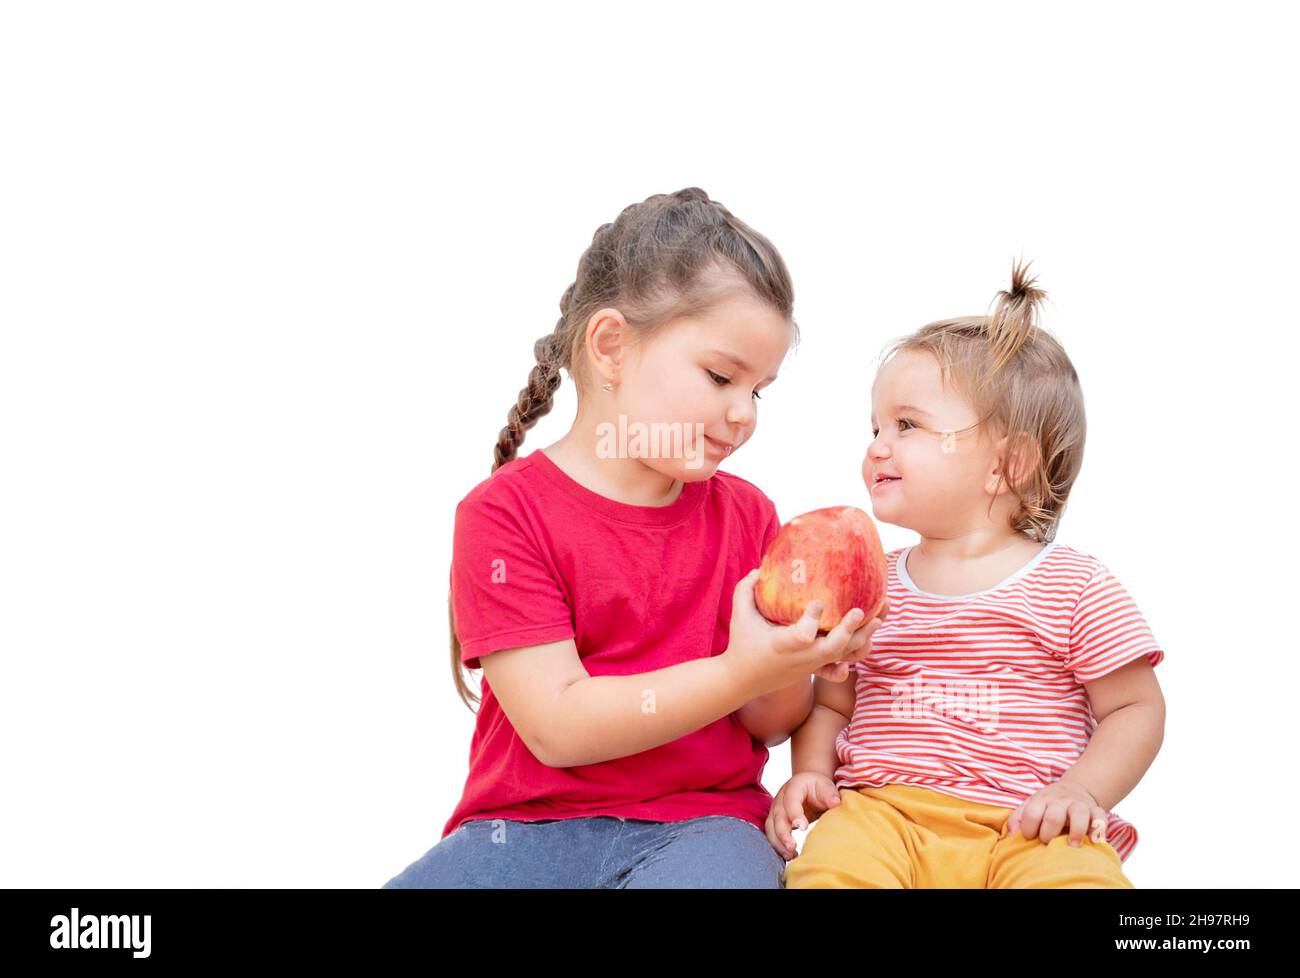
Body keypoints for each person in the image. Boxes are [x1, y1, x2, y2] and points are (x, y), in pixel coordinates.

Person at [383, 188, 887, 888]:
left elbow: (767, 723)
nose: (742, 413)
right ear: (612, 346)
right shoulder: (503, 514)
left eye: (759, 390)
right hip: (524, 831)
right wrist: (739, 670)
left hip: (704, 829)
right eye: (720, 376)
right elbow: (559, 726)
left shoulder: (748, 518)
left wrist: (791, 664)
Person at [772, 261, 1167, 888]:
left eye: (907, 425)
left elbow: (1135, 708)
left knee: (1079, 879)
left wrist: (1080, 791)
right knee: (831, 870)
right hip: (883, 813)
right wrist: (812, 770)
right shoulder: (871, 584)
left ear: (1006, 465)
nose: (877, 445)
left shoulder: (1076, 586)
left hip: (1030, 825)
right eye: (875, 426)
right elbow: (832, 701)